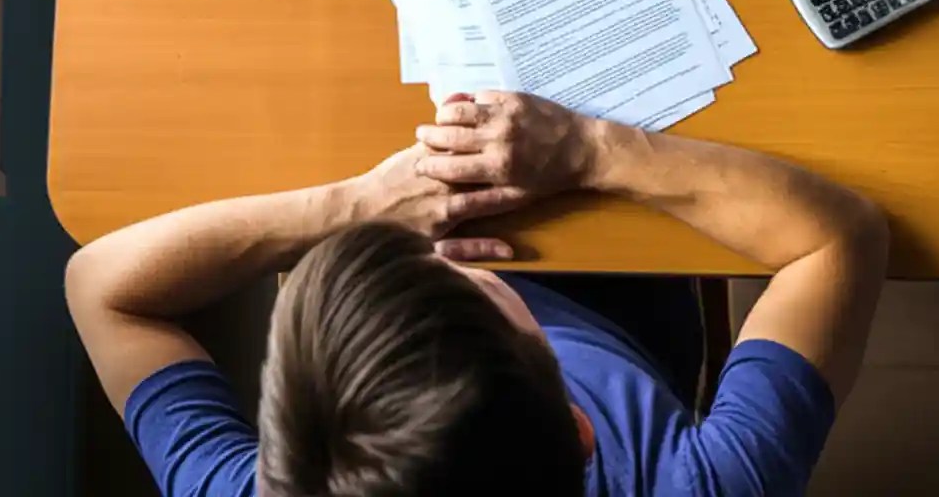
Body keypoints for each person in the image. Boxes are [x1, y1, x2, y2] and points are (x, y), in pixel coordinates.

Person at [66, 91, 889, 496]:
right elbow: (841, 238)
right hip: (628, 313)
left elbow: (100, 286)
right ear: (579, 430)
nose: (446, 255)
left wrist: (356, 207)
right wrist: (590, 151)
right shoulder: (697, 487)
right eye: (465, 284)